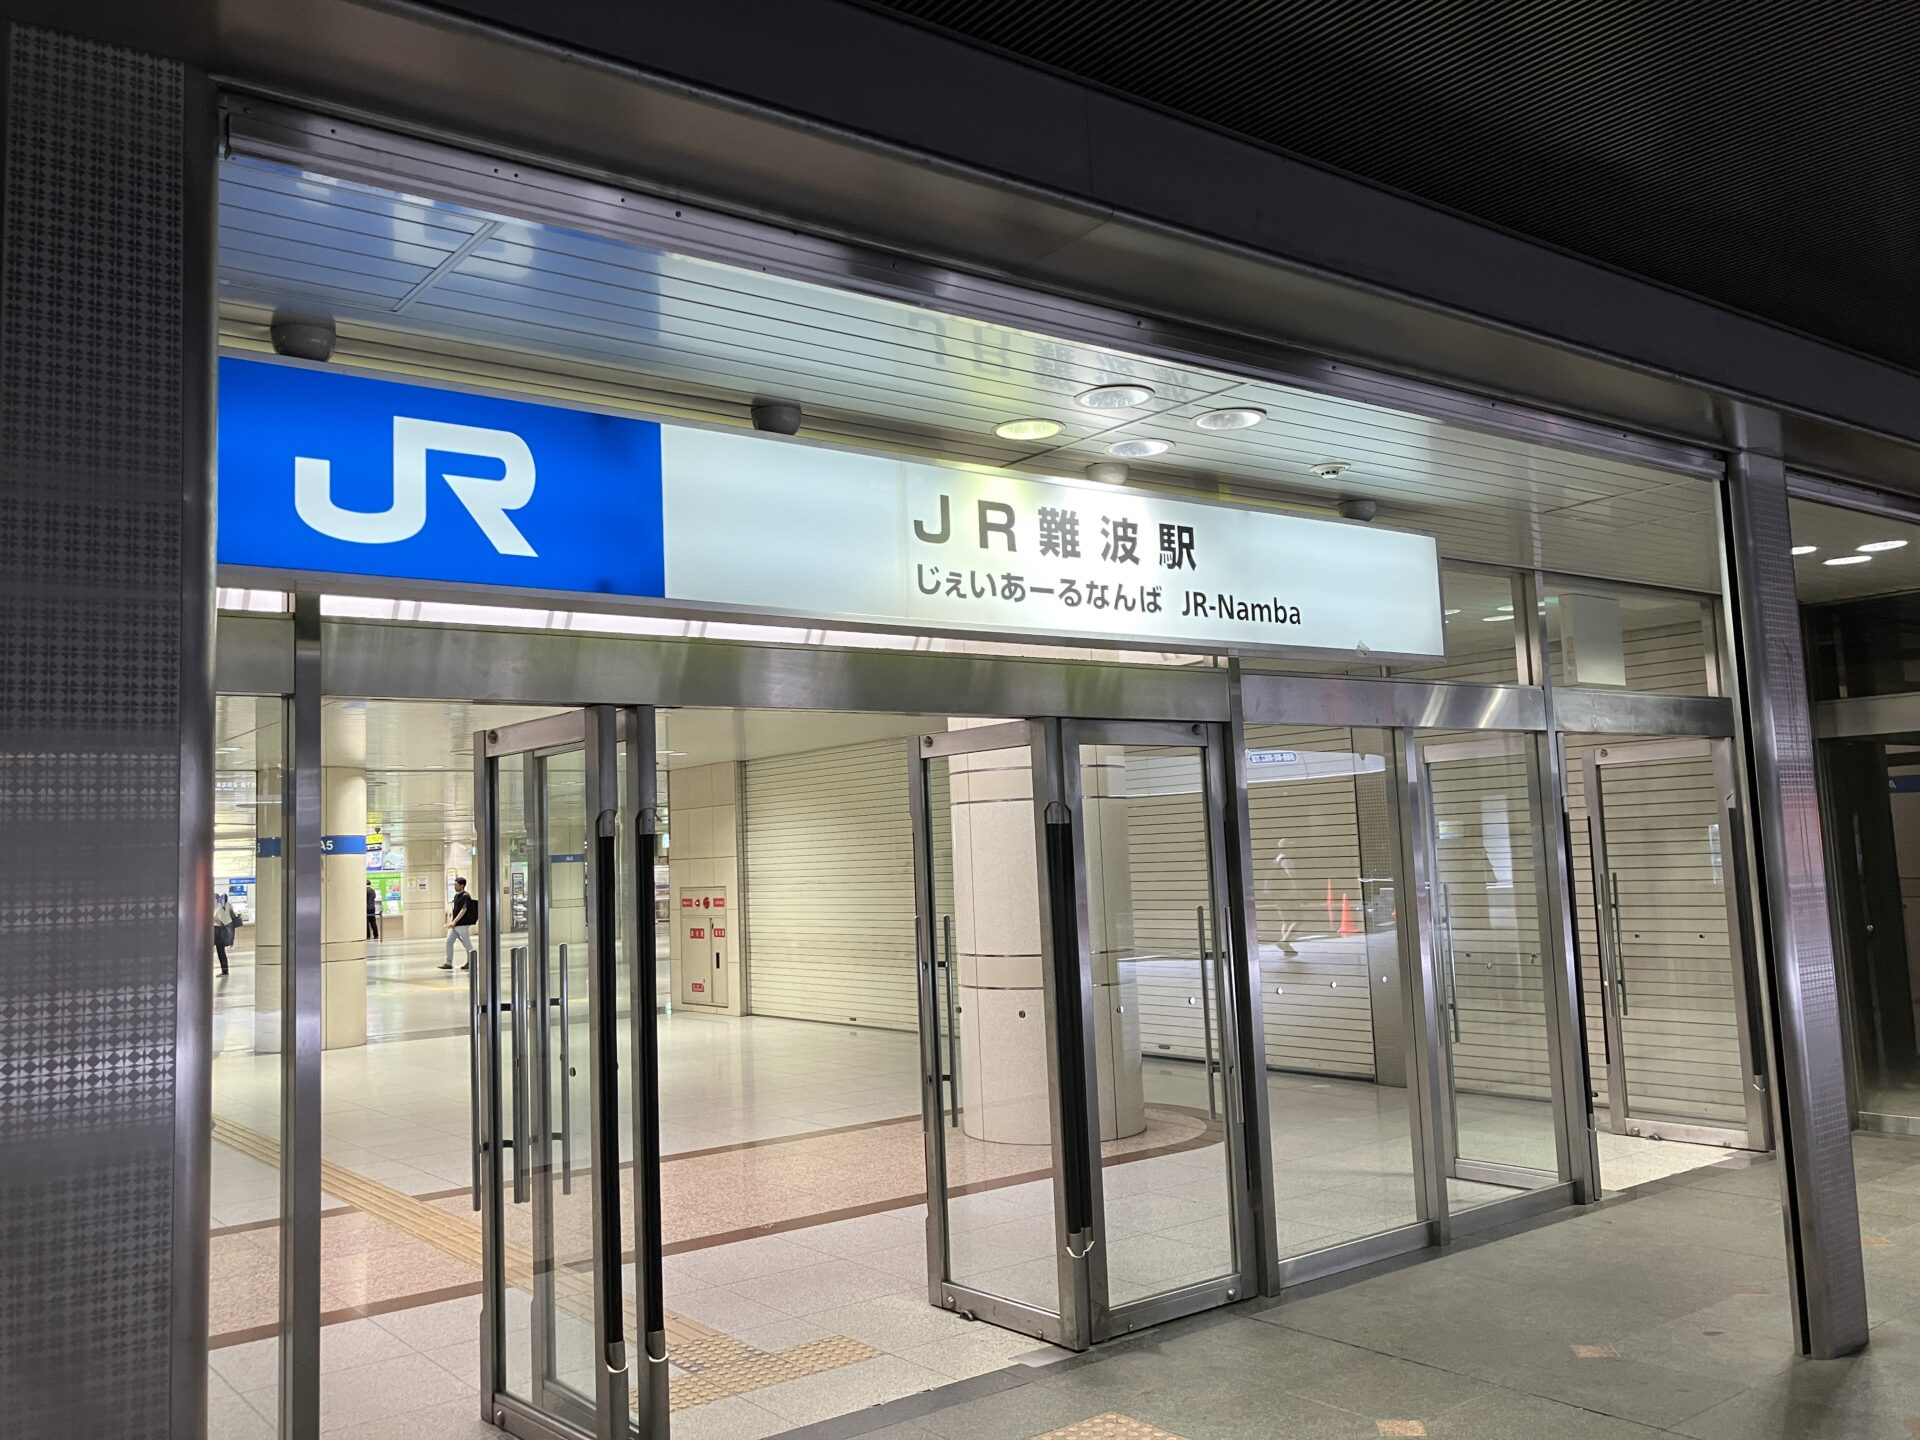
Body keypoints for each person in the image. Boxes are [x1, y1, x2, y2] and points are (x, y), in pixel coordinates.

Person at [441, 876, 479, 971]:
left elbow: (463, 910)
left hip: (462, 925)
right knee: (449, 941)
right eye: (454, 884)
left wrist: (454, 922)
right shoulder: (456, 896)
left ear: (462, 885)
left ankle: (471, 962)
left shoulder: (466, 896)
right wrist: (452, 922)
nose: (455, 886)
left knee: (467, 944)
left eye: (456, 885)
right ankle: (448, 963)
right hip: (455, 925)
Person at [213, 892, 236, 977]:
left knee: (220, 951)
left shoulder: (217, 908)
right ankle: (225, 970)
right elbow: (232, 916)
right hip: (220, 930)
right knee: (221, 951)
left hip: (218, 931)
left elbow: (222, 921)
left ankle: (224, 971)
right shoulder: (226, 905)